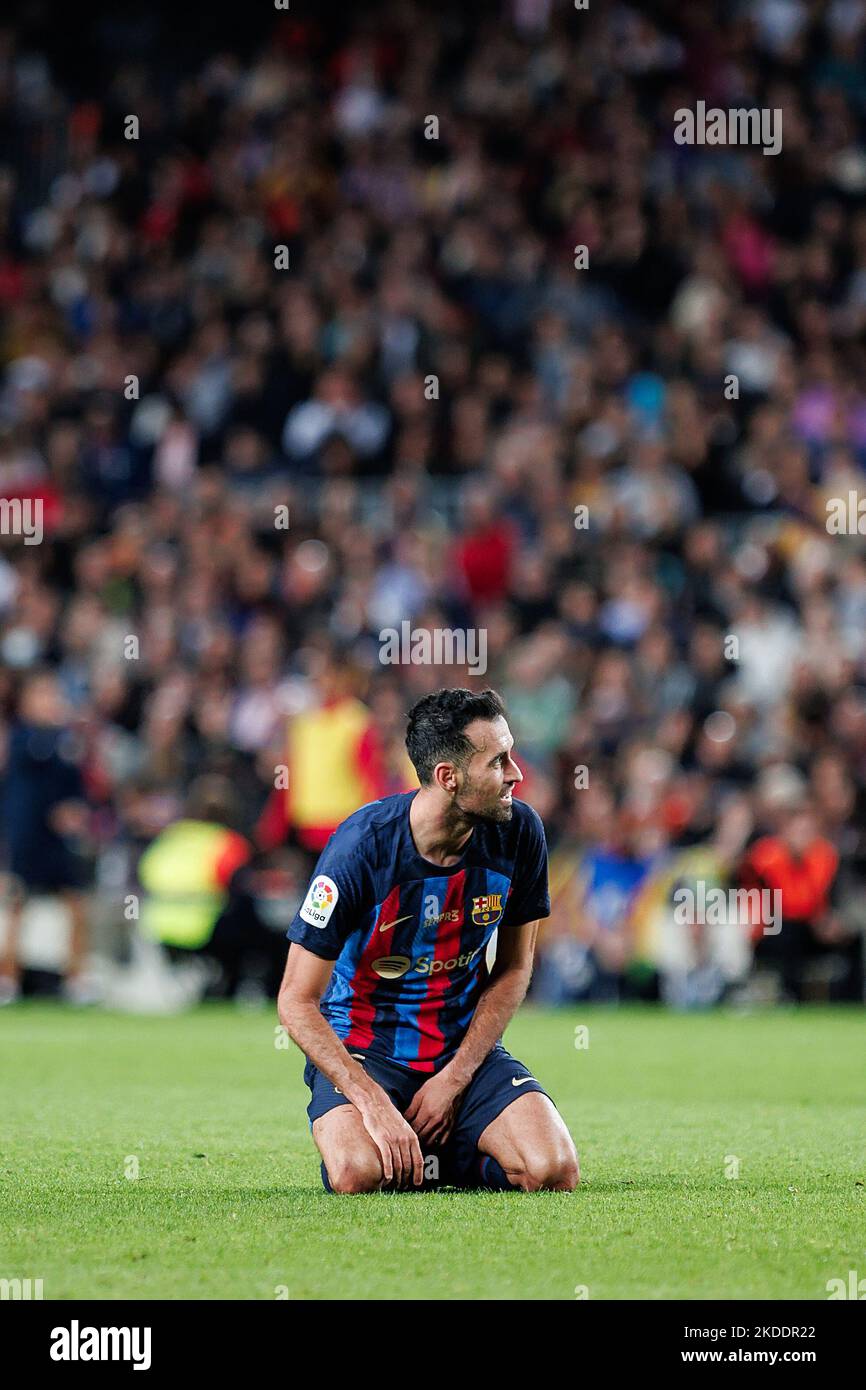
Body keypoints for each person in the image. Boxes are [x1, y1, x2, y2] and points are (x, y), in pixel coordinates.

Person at [278, 687, 579, 1193]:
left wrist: (455, 1079)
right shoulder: (360, 848)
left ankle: (426, 1153)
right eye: (498, 761)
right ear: (448, 777)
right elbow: (295, 1000)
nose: (516, 775)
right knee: (356, 1174)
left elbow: (514, 969)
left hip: (461, 1049)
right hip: (366, 1050)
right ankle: (403, 1145)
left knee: (552, 1170)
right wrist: (370, 1100)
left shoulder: (520, 833)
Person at [0, 671, 91, 1002]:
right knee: (17, 904)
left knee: (76, 903)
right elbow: (28, 787)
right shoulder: (24, 739)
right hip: (28, 836)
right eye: (43, 695)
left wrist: (75, 812)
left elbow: (76, 788)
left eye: (53, 695)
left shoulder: (67, 741)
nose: (50, 702)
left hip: (58, 841)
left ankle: (77, 978)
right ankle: (8, 977)